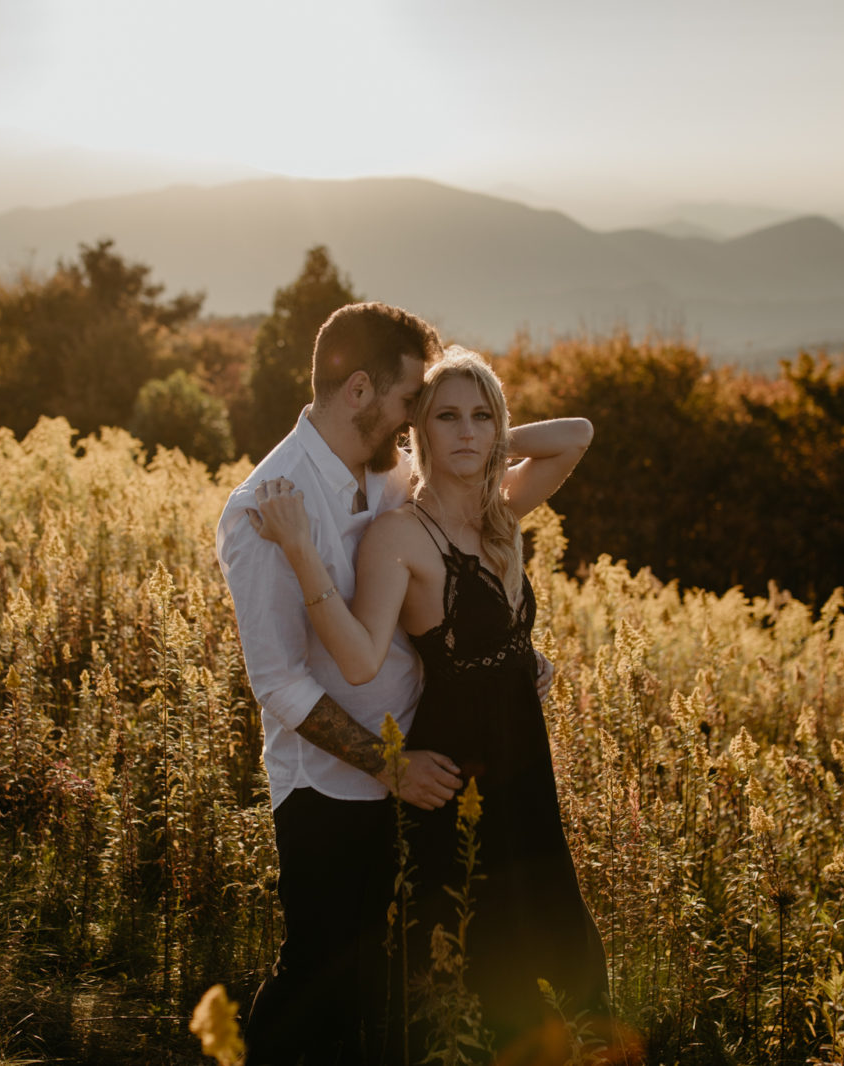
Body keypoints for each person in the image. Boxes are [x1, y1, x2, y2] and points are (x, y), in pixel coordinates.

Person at [249, 347, 609, 1059]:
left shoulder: (498, 509)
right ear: (415, 431)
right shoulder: (400, 535)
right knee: (475, 957)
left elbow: (578, 436)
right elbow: (356, 658)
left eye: (483, 418)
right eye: (448, 418)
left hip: (524, 764)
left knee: (559, 944)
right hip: (459, 769)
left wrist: (492, 432)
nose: (469, 433)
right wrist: (299, 550)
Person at [215, 302, 460, 1066]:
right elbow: (278, 683)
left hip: (416, 772)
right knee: (322, 976)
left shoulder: (390, 473)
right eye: (408, 401)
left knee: (382, 985)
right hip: (327, 790)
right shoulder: (265, 505)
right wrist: (390, 765)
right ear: (358, 390)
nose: (415, 421)